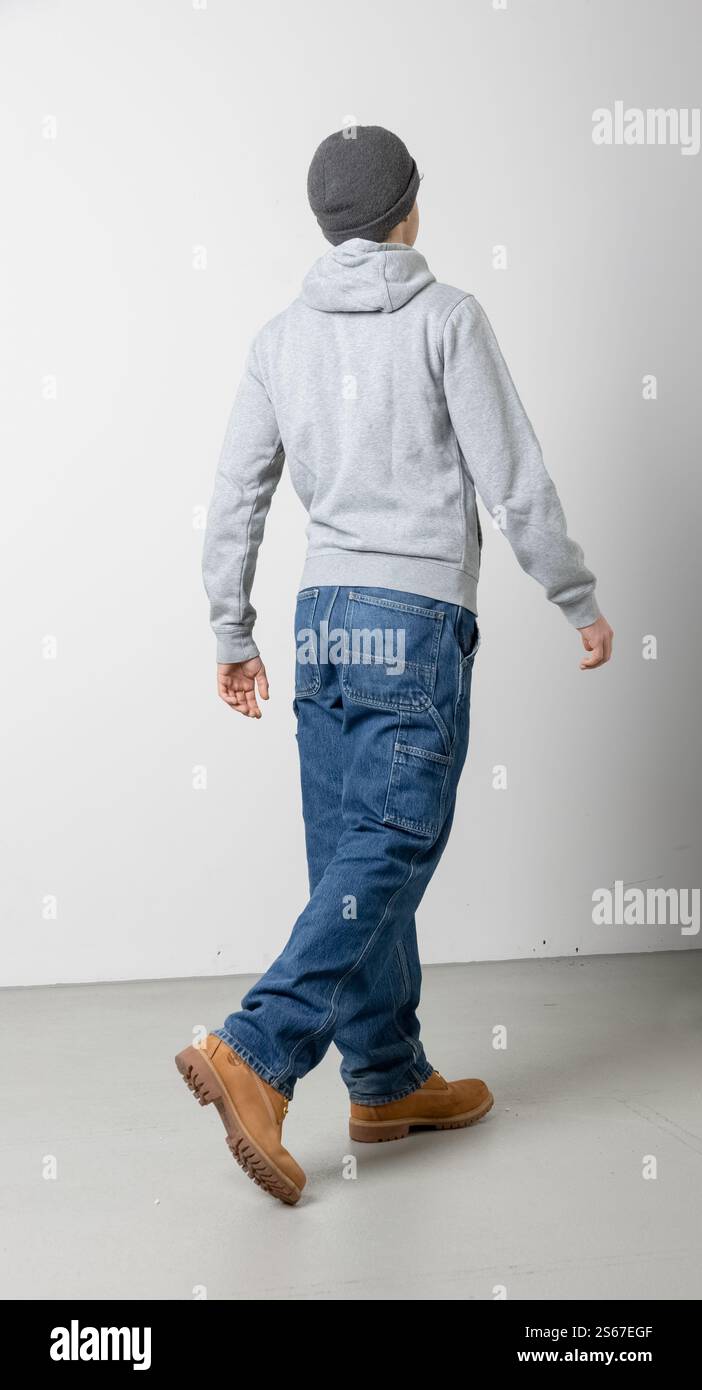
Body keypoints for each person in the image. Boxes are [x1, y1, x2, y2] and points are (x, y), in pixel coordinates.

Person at [175, 125, 613, 1205]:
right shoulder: (447, 317)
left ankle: (388, 1077)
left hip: (323, 621)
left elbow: (234, 493)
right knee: (393, 844)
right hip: (413, 618)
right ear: (410, 211)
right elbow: (512, 475)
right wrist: (577, 595)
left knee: (352, 858)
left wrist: (233, 631)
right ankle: (257, 1051)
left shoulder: (281, 337)